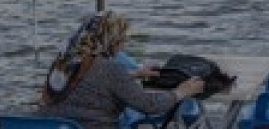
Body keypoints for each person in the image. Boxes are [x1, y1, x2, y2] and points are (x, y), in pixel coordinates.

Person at [39, 11, 205, 129]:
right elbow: (149, 105)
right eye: (121, 40)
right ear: (110, 40)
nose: (123, 45)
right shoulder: (110, 69)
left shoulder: (63, 63)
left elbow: (87, 82)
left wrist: (133, 74)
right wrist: (182, 92)